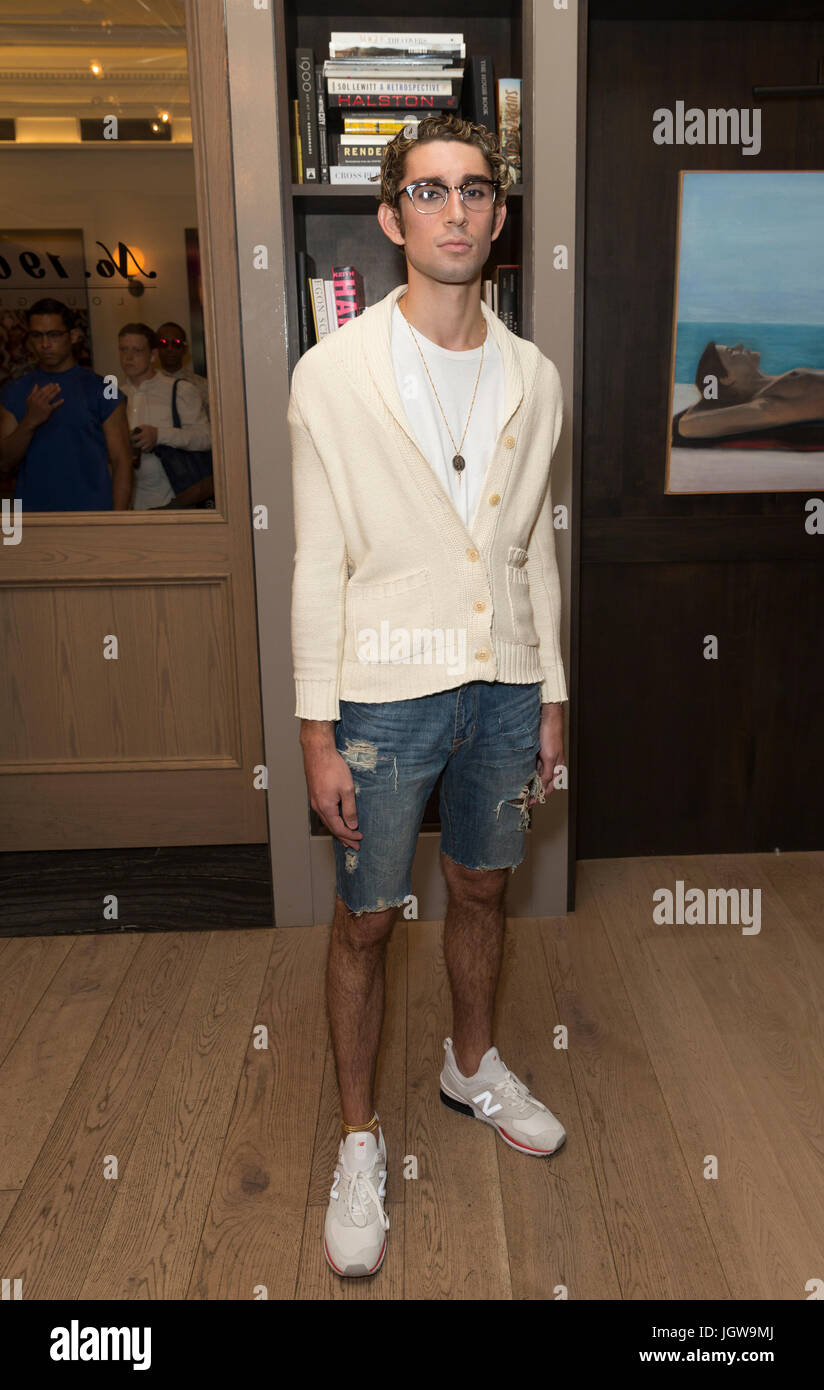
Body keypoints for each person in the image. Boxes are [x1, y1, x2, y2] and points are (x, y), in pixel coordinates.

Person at [287, 112, 569, 1280]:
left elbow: (530, 552)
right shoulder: (332, 374)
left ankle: (469, 1065)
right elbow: (318, 559)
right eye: (428, 190)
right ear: (392, 216)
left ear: (497, 218)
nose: (452, 210)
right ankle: (359, 1137)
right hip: (382, 695)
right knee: (365, 916)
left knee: (482, 888)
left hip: (503, 684)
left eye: (473, 191)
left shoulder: (532, 374)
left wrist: (551, 689)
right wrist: (313, 727)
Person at [0, 299, 133, 510]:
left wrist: (117, 522)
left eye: (53, 335)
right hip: (33, 517)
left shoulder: (103, 389)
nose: (44, 344)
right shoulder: (15, 391)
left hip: (92, 516)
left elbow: (122, 461)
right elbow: (4, 464)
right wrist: (30, 421)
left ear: (72, 336)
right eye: (37, 336)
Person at [117, 323, 211, 510]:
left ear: (153, 355)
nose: (128, 357)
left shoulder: (180, 390)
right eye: (123, 349)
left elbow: (206, 438)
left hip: (172, 500)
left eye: (136, 350)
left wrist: (159, 435)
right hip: (127, 503)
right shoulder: (115, 394)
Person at [677, 340, 824, 439]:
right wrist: (709, 398)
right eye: (731, 352)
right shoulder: (768, 402)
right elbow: (686, 426)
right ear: (727, 379)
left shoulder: (772, 388)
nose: (740, 346)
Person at [154, 320, 210, 420]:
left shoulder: (203, 386)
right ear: (156, 349)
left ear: (185, 349)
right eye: (163, 343)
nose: (170, 348)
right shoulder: (148, 385)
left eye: (176, 343)